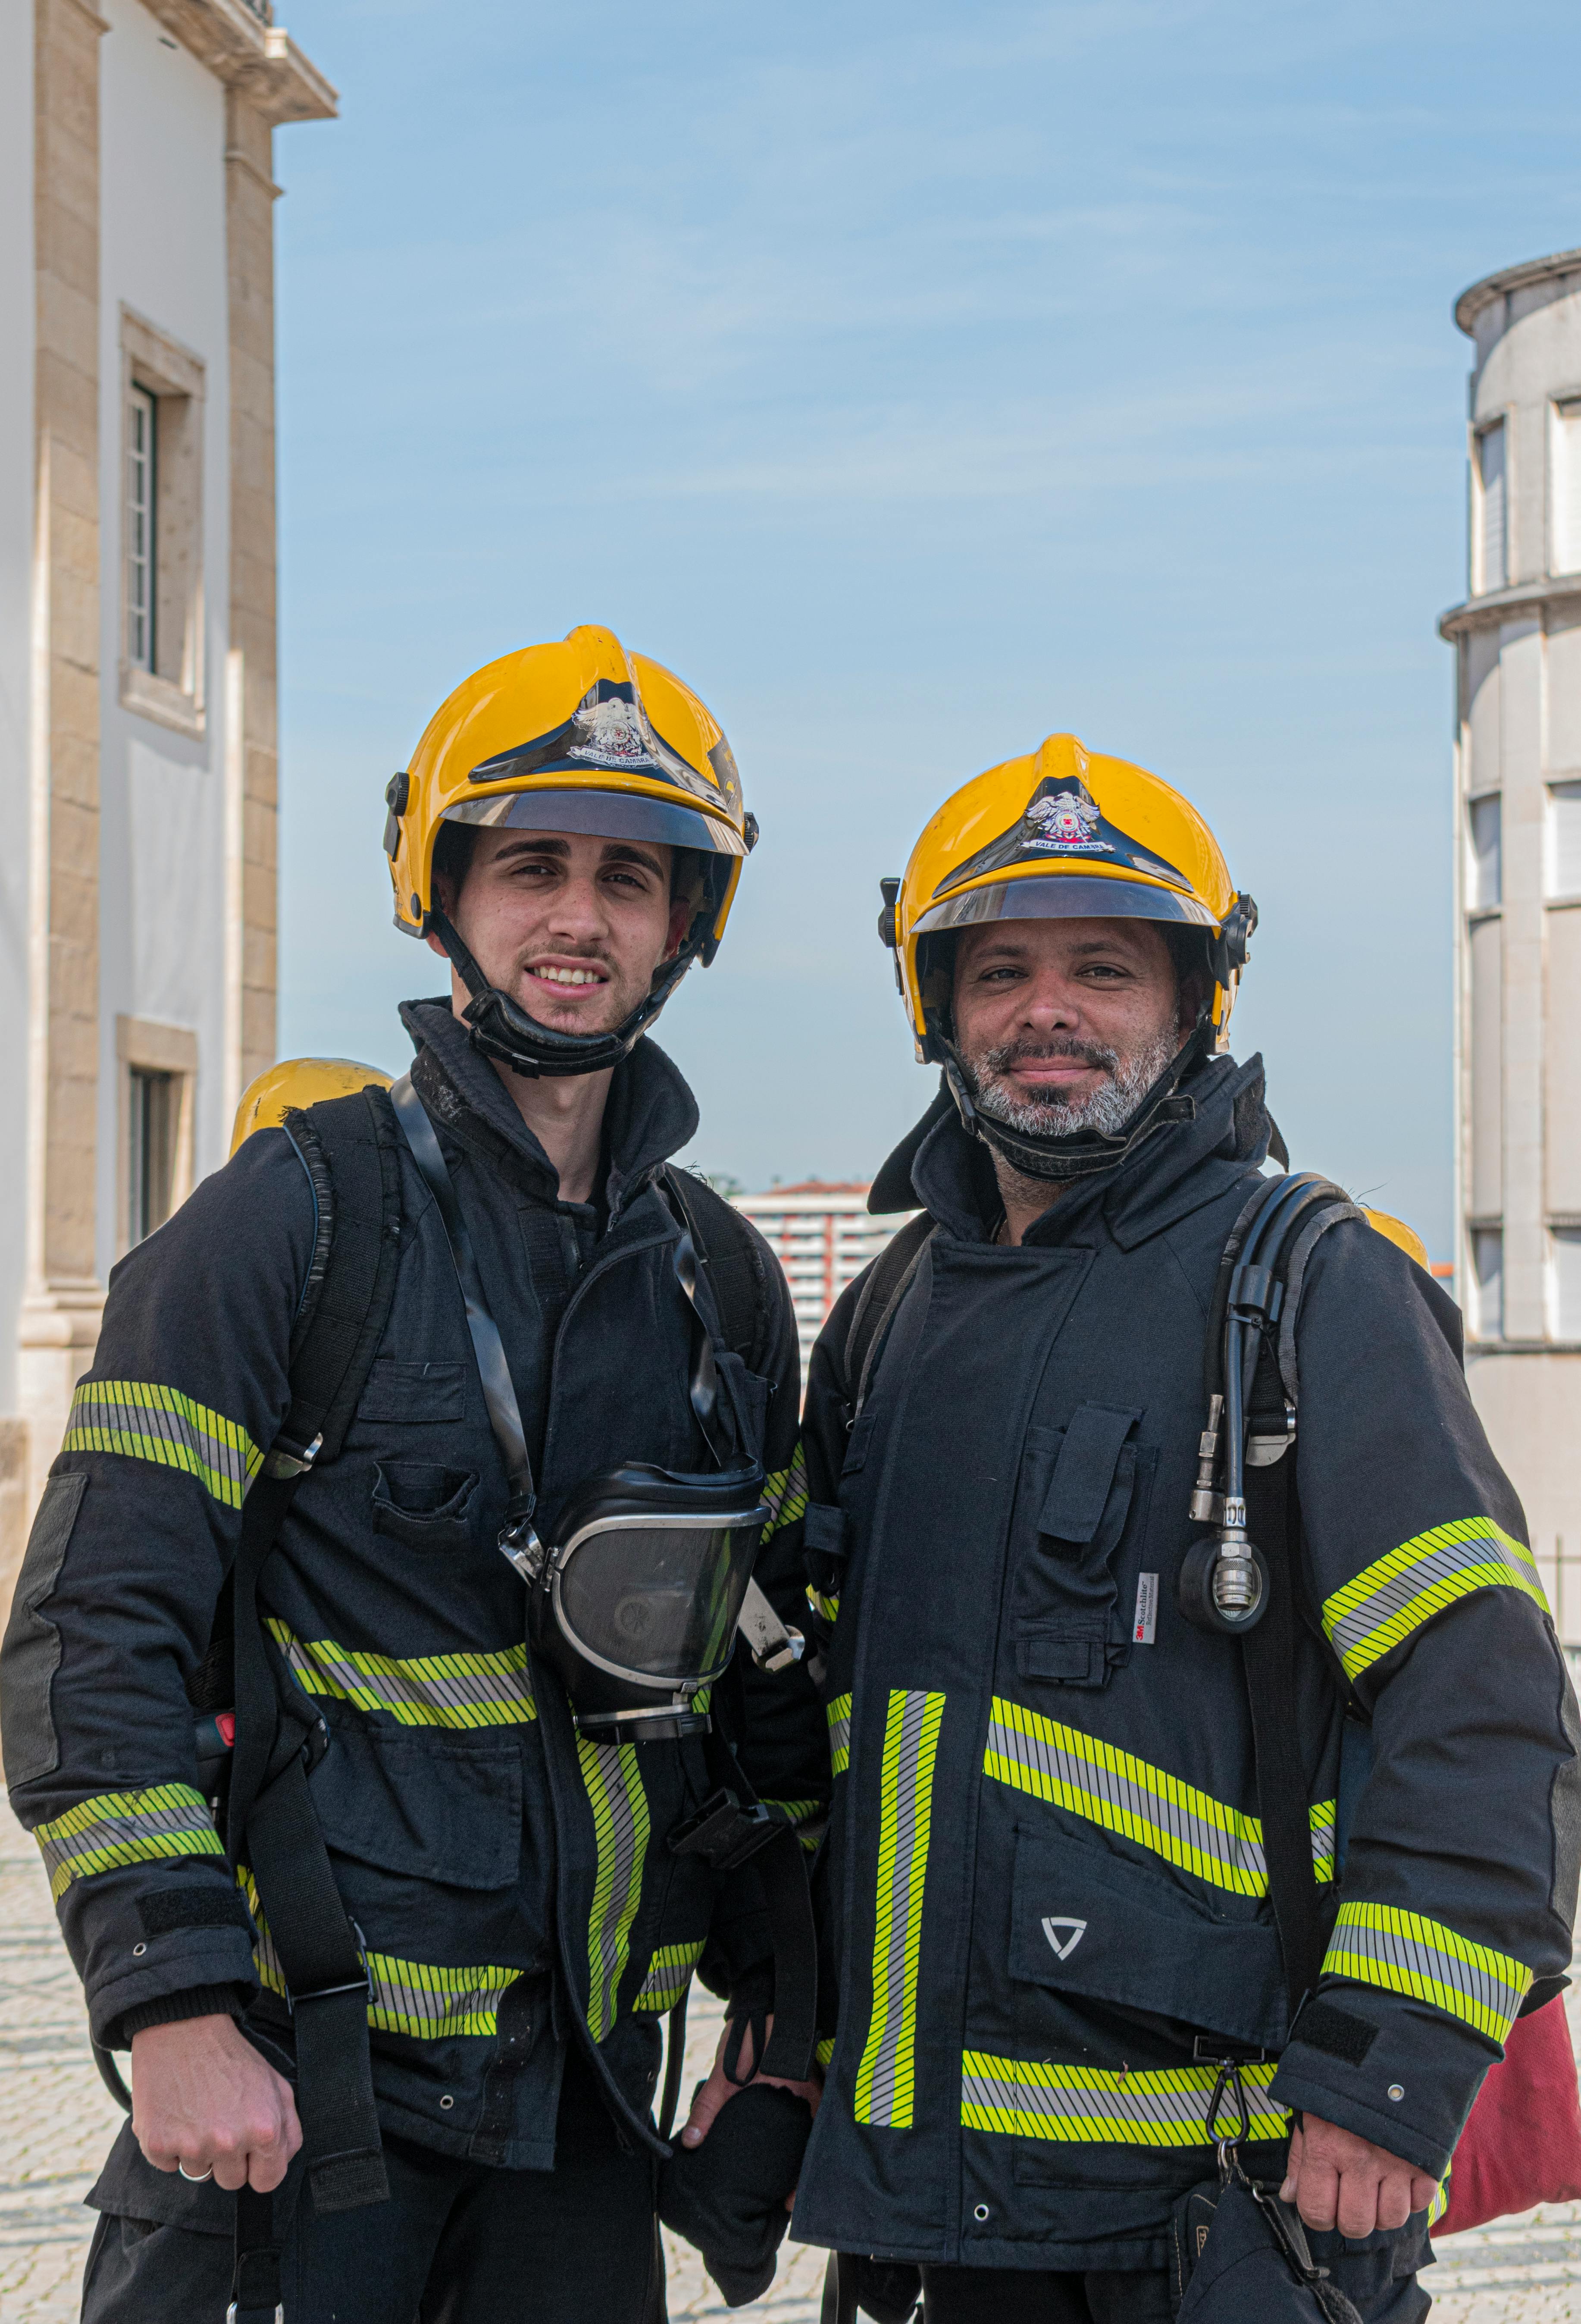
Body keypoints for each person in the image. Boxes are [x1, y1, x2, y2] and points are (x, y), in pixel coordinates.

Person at [0, 626, 827, 2323]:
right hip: (292, 2115)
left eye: (629, 875)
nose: (577, 916)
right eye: (529, 864)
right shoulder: (288, 1225)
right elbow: (92, 1633)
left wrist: (783, 2034)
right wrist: (169, 2005)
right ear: (439, 887)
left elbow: (765, 1694)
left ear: (688, 921)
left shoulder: (720, 1286)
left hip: (580, 2131)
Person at [789, 733, 1579, 2321]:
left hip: (1225, 2213)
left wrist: (1383, 2074)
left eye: (1104, 967)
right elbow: (811, 1726)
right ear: (934, 1006)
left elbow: (1482, 1713)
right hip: (940, 2219)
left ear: (1195, 996)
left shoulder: (1307, 1286)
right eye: (998, 970)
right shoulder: (887, 1319)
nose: (1048, 1012)